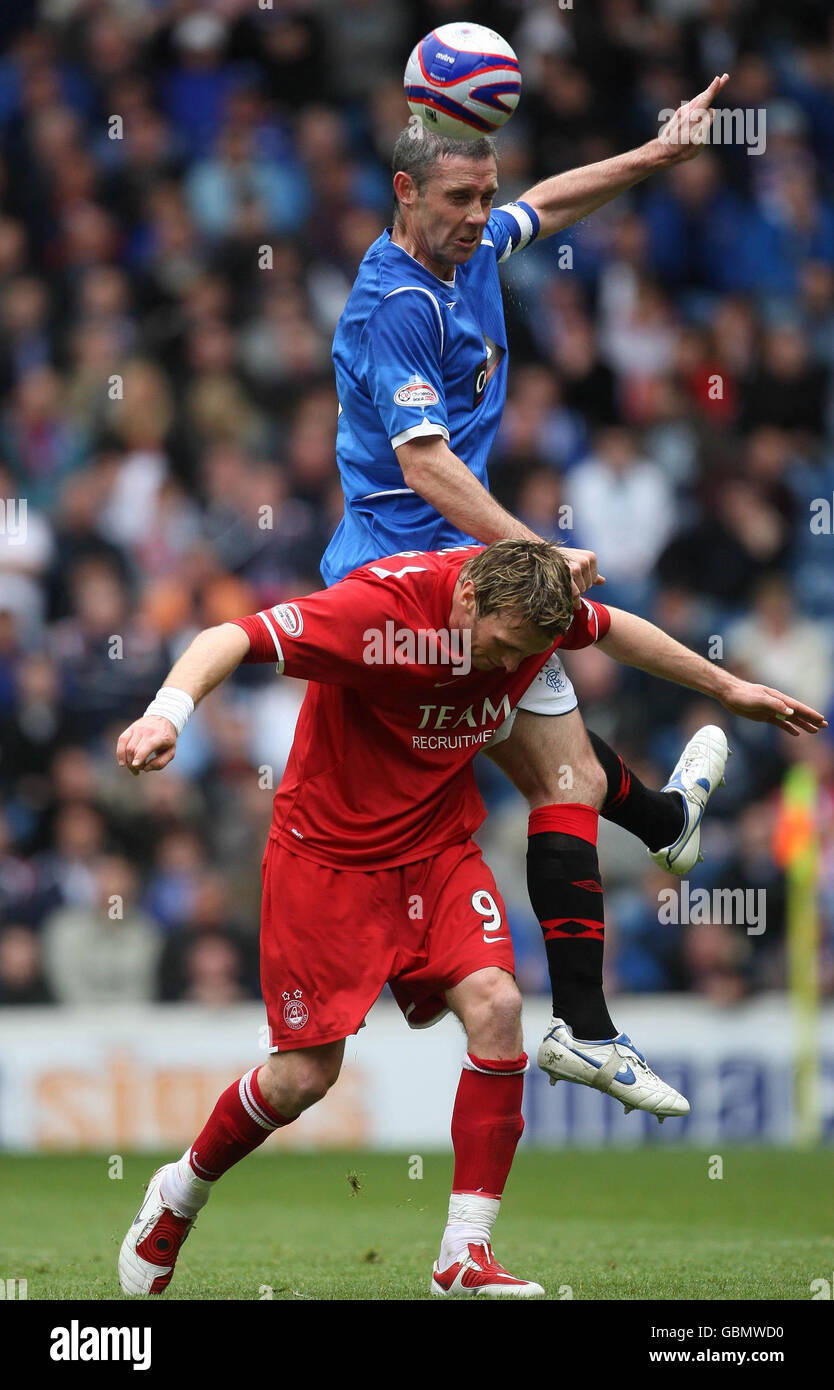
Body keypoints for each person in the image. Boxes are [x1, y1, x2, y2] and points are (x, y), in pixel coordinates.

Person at [115, 540, 825, 1297]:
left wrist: (727, 687)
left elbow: (614, 627)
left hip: (436, 848)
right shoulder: (378, 614)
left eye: (526, 652)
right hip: (327, 862)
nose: (506, 665)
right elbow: (230, 636)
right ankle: (180, 1191)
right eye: (503, 646)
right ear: (466, 604)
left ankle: (464, 1254)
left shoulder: (531, 615)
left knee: (499, 1005)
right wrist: (167, 716)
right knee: (304, 1078)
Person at [321, 75, 763, 1104]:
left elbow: (548, 206)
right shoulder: (395, 303)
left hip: (460, 573)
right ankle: (584, 1014)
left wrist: (657, 157)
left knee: (556, 773)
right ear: (403, 192)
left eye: (485, 196)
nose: (481, 217)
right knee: (548, 781)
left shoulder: (472, 251)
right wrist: (537, 554)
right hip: (418, 586)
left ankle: (652, 842)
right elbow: (425, 460)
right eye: (458, 201)